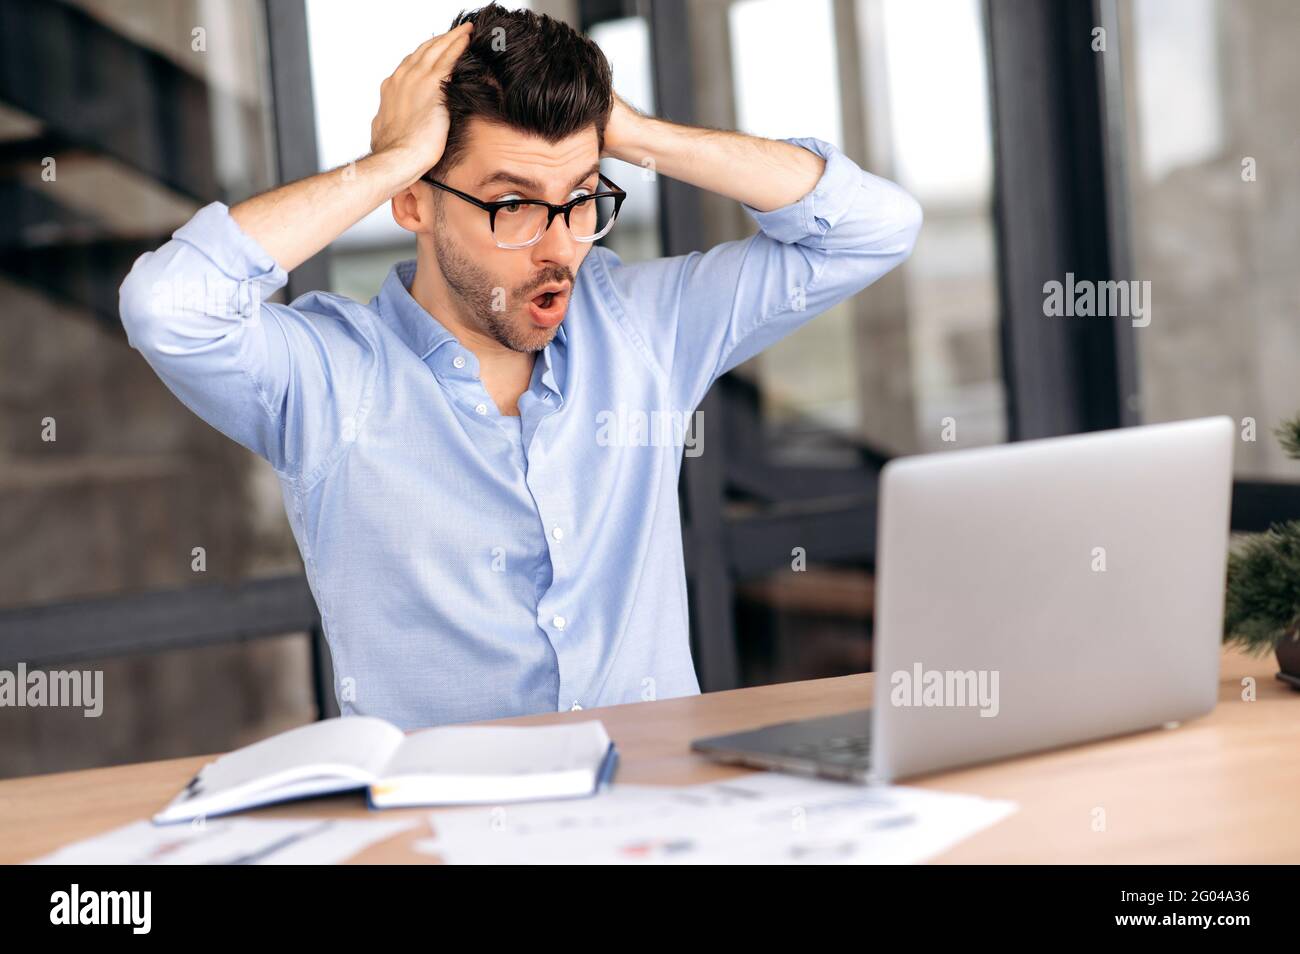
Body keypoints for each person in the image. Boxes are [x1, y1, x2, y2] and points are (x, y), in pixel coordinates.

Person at [118, 3, 922, 729]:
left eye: (580, 200)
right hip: (444, 836)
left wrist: (636, 133)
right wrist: (390, 163)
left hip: (663, 818)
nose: (558, 247)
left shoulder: (642, 329)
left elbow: (874, 228)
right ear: (415, 205)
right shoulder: (330, 379)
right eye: (512, 206)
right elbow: (170, 307)